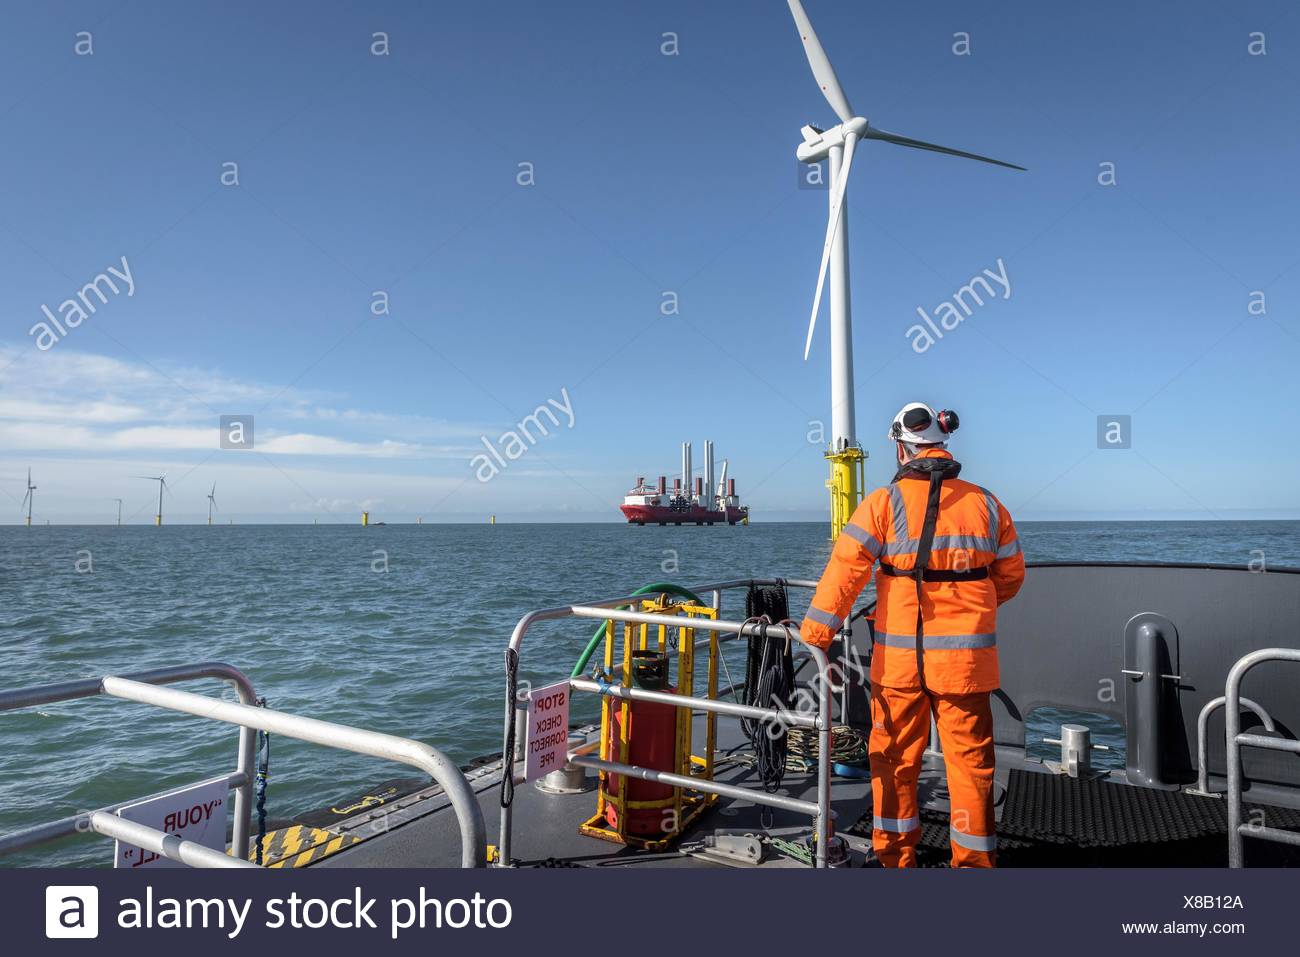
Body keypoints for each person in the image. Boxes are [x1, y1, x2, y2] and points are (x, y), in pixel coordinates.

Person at [800, 402, 1025, 867]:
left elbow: (844, 576)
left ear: (901, 449)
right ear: (941, 445)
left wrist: (815, 636)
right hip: (966, 667)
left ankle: (894, 861)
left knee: (895, 763)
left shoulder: (882, 503)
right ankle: (975, 867)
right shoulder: (987, 504)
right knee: (970, 768)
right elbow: (1010, 576)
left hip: (899, 667)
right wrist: (972, 611)